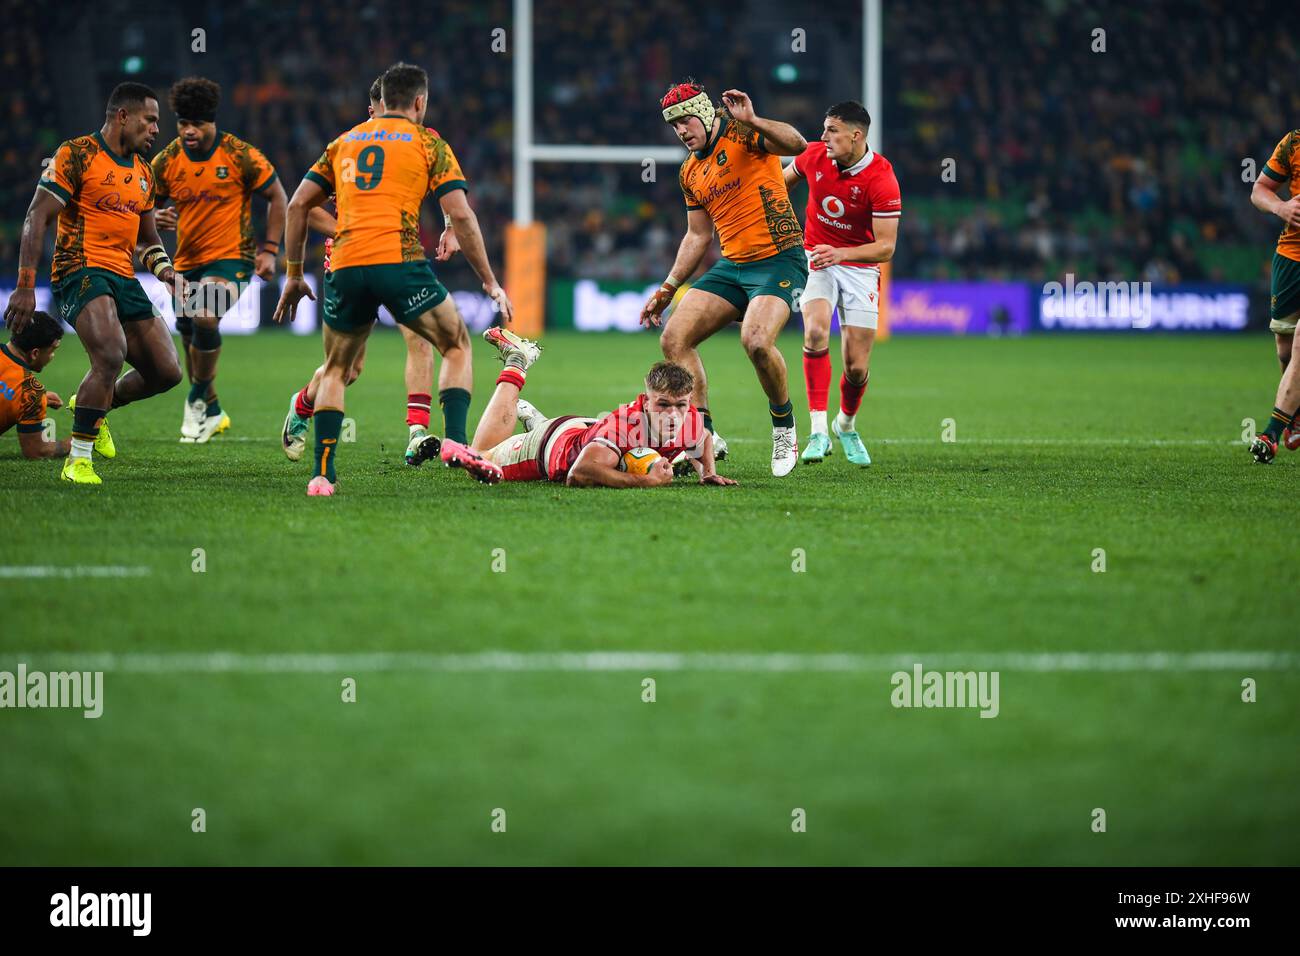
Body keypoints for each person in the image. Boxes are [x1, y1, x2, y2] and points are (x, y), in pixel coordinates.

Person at [272, 62, 510, 496]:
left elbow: (296, 205)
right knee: (447, 345)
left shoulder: (344, 143)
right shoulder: (426, 141)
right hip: (397, 261)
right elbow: (461, 211)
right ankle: (454, 441)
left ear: (381, 102)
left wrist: (292, 272)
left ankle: (327, 473)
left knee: (358, 361)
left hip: (348, 265)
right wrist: (490, 281)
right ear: (420, 102)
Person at [3, 82, 183, 485]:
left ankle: (97, 409)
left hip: (123, 276)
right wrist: (25, 284)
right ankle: (78, 461)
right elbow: (37, 215)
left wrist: (167, 273)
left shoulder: (144, 173)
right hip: (78, 269)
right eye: (150, 120)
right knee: (111, 353)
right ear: (123, 116)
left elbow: (147, 240)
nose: (156, 129)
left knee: (167, 372)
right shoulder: (77, 154)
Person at [281, 75, 463, 465]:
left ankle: (416, 433)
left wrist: (449, 226)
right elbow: (303, 207)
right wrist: (347, 230)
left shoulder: (421, 139)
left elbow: (446, 187)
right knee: (349, 369)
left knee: (420, 338)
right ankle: (303, 404)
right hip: (351, 257)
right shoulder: (350, 145)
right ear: (373, 109)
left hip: (399, 254)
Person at [640, 81, 808, 477]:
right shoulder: (689, 172)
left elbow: (798, 144)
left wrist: (754, 119)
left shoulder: (743, 133)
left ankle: (784, 426)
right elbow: (697, 236)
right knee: (674, 338)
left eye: (685, 120)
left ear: (704, 112)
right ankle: (705, 435)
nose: (681, 131)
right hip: (733, 267)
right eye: (674, 125)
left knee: (756, 342)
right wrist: (667, 289)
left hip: (780, 259)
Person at [415, 327, 735, 489]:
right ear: (646, 399)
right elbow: (578, 474)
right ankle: (517, 360)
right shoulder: (626, 425)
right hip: (551, 447)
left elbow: (703, 437)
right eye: (663, 405)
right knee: (480, 457)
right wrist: (647, 481)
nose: (673, 414)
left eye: (680, 405)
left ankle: (533, 416)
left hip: (585, 429)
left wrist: (708, 473)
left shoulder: (688, 418)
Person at [152, 75, 286, 443]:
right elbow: (143, 208)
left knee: (205, 313)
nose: (189, 131)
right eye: (183, 123)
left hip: (232, 259)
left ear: (212, 122)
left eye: (196, 123)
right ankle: (211, 410)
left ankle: (195, 400)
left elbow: (278, 196)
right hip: (185, 263)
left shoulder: (240, 155)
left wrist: (270, 250)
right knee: (190, 334)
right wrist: (155, 217)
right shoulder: (167, 161)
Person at [784, 100, 901, 467]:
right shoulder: (814, 155)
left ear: (856, 135)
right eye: (824, 129)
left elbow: (886, 247)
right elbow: (777, 186)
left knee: (856, 368)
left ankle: (845, 425)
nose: (823, 137)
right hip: (817, 257)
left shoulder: (881, 178)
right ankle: (818, 431)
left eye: (832, 131)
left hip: (859, 267)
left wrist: (842, 253)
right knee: (816, 331)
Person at [1248, 127, 1300, 462]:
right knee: (1285, 348)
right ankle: (1296, 416)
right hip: (1291, 258)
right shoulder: (1294, 143)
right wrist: (1281, 209)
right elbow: (1259, 190)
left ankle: (1270, 432)